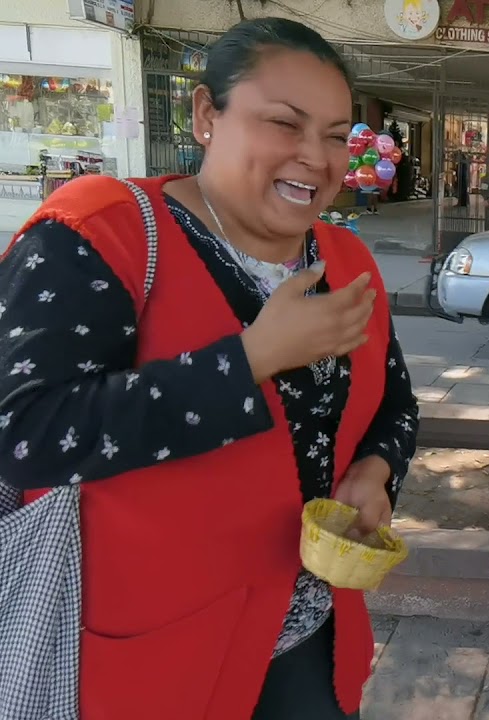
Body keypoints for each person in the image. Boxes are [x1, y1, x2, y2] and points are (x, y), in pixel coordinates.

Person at [0, 17, 418, 720]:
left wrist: (374, 473)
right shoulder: (100, 235)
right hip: (136, 660)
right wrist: (251, 360)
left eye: (337, 135)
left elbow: (394, 406)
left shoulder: (346, 264)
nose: (315, 157)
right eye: (284, 123)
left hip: (307, 645)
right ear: (205, 115)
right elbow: (26, 433)